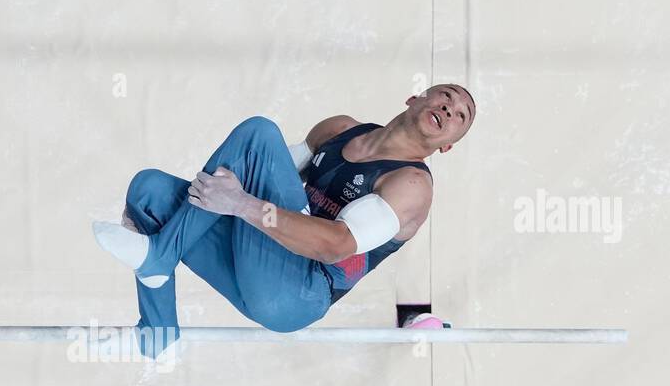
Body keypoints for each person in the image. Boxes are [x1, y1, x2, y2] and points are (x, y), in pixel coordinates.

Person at [93, 84, 475, 357]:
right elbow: (253, 168)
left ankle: (159, 255)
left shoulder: (410, 185)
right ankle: (157, 332)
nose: (449, 109)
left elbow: (334, 246)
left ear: (448, 146)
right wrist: (238, 200)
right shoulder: (338, 129)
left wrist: (242, 206)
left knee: (259, 132)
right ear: (415, 97)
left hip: (297, 293)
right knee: (150, 191)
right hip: (258, 262)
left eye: (461, 115)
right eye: (446, 96)